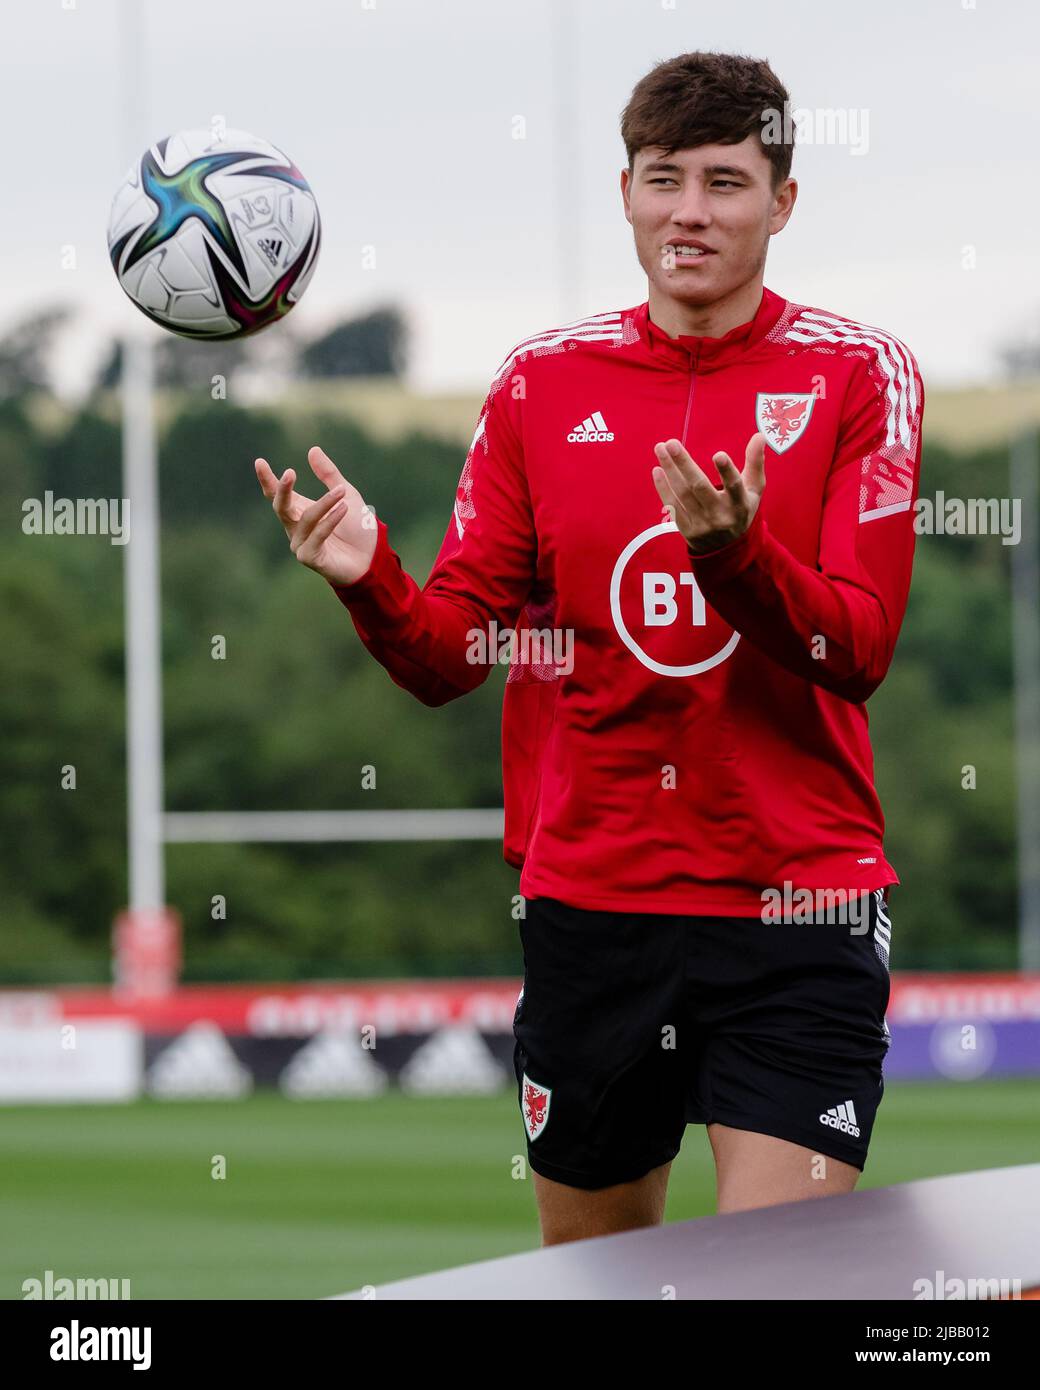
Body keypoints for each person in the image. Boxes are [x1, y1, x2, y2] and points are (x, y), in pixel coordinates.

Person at [255, 50, 923, 1247]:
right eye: (663, 179)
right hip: (593, 909)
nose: (689, 212)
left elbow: (857, 646)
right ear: (624, 192)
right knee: (606, 1291)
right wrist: (371, 582)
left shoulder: (855, 373)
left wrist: (732, 557)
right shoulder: (537, 386)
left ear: (782, 201)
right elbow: (451, 655)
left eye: (726, 181)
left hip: (798, 904)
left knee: (773, 1288)